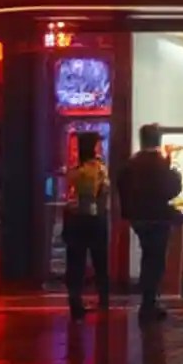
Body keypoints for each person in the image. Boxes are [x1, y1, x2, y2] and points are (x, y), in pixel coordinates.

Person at [118, 123, 182, 324]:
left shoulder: (132, 162)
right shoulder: (159, 163)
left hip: (139, 218)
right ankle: (149, 302)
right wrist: (175, 173)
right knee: (156, 260)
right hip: (158, 217)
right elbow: (171, 189)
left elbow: (122, 188)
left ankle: (148, 301)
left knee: (148, 257)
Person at [63, 131, 110, 320]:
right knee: (100, 261)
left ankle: (75, 301)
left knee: (75, 263)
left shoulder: (74, 169)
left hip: (75, 220)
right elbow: (101, 191)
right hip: (95, 219)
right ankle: (103, 299)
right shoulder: (98, 168)